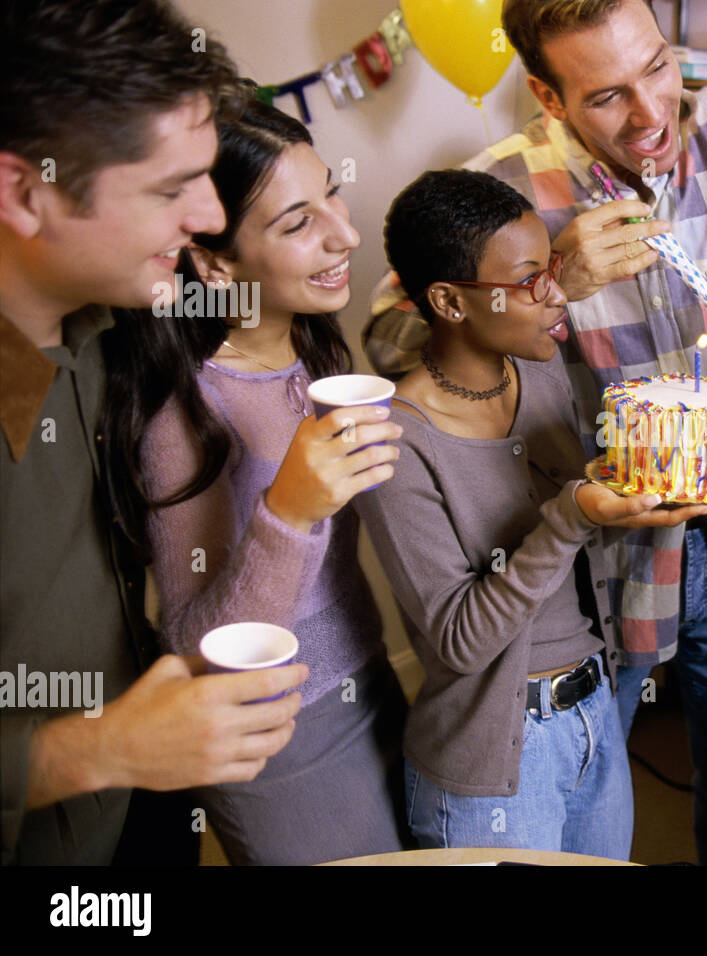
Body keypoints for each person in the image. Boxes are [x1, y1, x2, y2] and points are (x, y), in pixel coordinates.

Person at [363, 0, 707, 865]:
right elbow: (387, 343)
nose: (653, 113)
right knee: (584, 797)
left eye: (658, 66)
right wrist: (557, 284)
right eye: (609, 95)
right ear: (546, 93)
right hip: (585, 564)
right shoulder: (500, 191)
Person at [0, 0, 303, 866]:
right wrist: (93, 750)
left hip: (141, 813)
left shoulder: (113, 320)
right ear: (26, 191)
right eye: (172, 188)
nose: (209, 215)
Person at [357, 169, 707, 857]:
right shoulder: (395, 444)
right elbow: (460, 641)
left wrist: (636, 497)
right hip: (497, 763)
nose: (558, 293)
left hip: (595, 713)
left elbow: (567, 534)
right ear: (450, 303)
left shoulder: (540, 369)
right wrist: (573, 515)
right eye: (529, 281)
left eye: (552, 267)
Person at [100, 96, 411, 865]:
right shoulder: (188, 410)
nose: (342, 232)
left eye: (330, 196)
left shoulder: (312, 347)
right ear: (213, 261)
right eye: (297, 222)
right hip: (276, 735)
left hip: (370, 682)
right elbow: (195, 647)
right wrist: (288, 511)